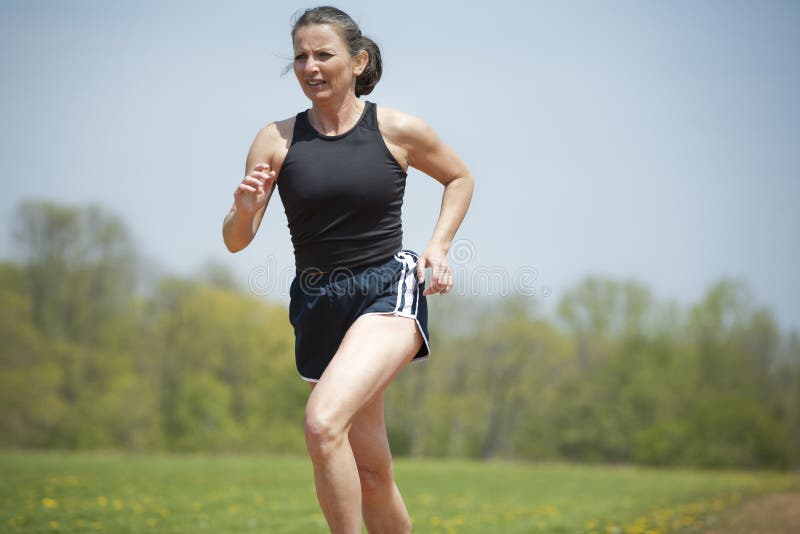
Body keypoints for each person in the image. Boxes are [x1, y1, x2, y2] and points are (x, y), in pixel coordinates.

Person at [222, 6, 473, 533]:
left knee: (322, 424)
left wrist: (439, 246)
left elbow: (458, 178)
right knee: (372, 473)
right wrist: (244, 210)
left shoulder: (398, 128)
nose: (310, 66)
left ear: (358, 61)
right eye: (300, 56)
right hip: (318, 303)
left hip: (387, 290)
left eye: (323, 54)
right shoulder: (276, 139)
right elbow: (236, 241)